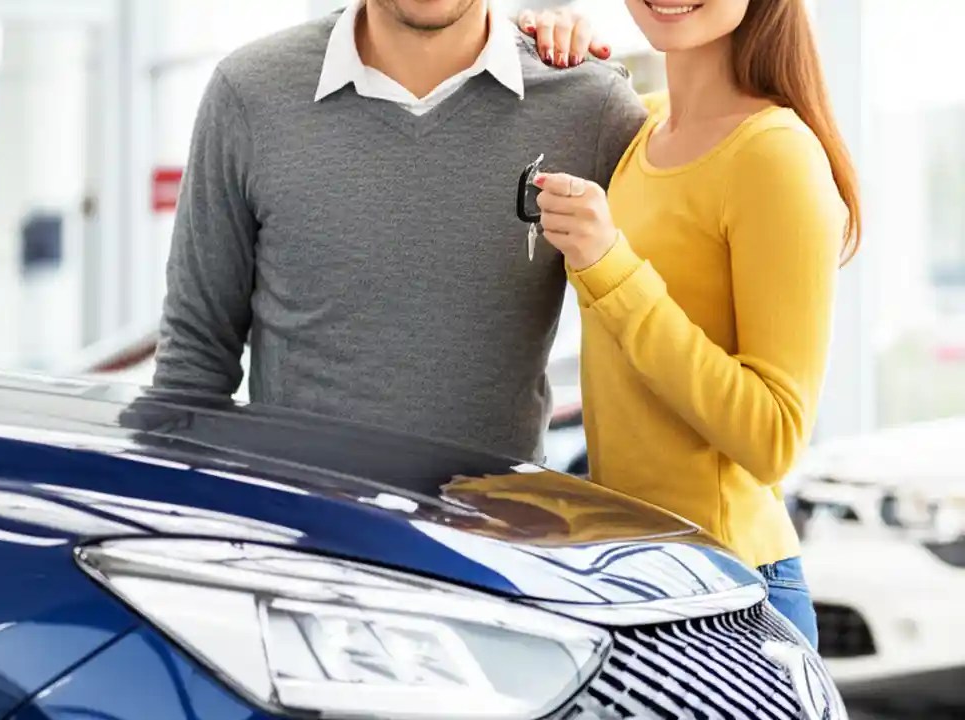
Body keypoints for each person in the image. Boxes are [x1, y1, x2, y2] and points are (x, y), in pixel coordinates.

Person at [152, 0, 646, 462]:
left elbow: (669, 345)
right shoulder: (249, 95)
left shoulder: (590, 105)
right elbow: (193, 365)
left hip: (496, 545)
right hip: (302, 542)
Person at [514, 0, 862, 647]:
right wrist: (533, 47)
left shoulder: (775, 153)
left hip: (734, 592)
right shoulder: (638, 128)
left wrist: (611, 265)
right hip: (636, 586)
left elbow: (776, 436)